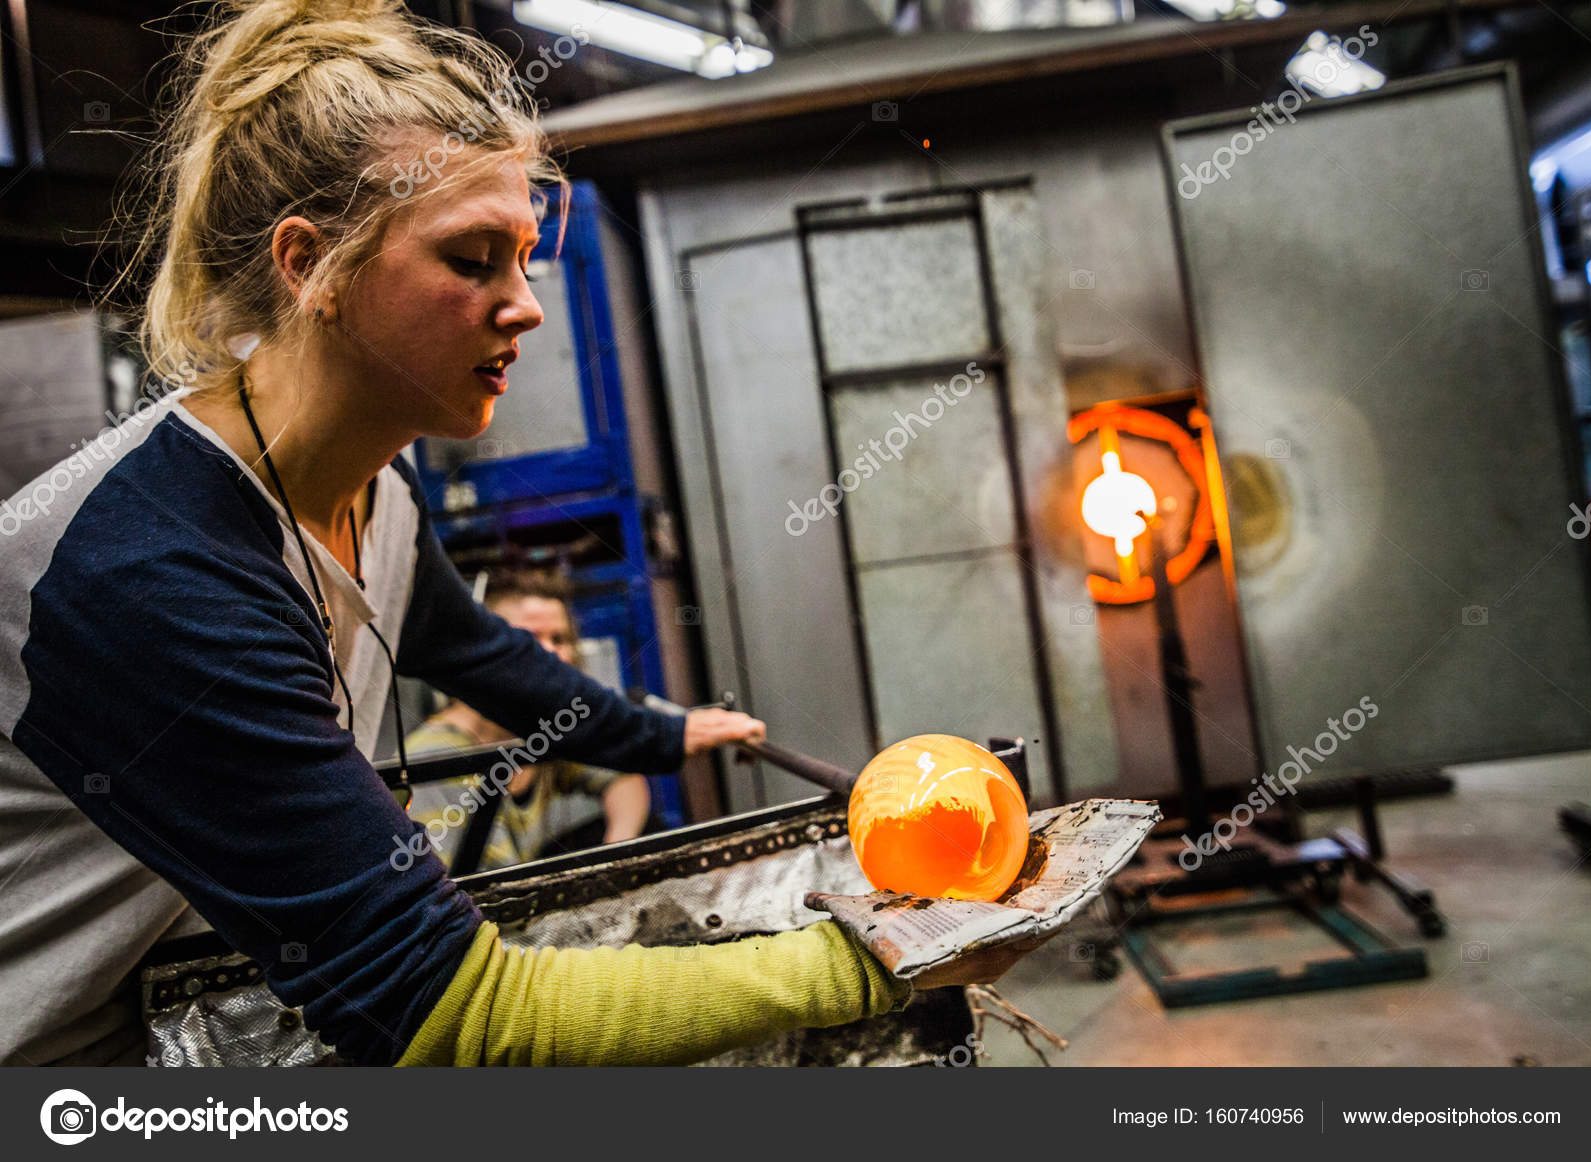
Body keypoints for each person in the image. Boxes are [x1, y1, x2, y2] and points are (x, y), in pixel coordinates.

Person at [0, 0, 1028, 1068]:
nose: (525, 304)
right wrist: (883, 956)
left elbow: (497, 667)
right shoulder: (146, 574)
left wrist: (662, 734)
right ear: (310, 265)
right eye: (471, 258)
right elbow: (455, 1017)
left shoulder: (375, 497)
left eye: (526, 254)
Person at [406, 568, 654, 870]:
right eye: (529, 639)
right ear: (481, 653)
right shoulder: (435, 760)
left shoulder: (542, 731)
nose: (551, 654)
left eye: (559, 639)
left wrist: (616, 855)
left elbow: (622, 777)